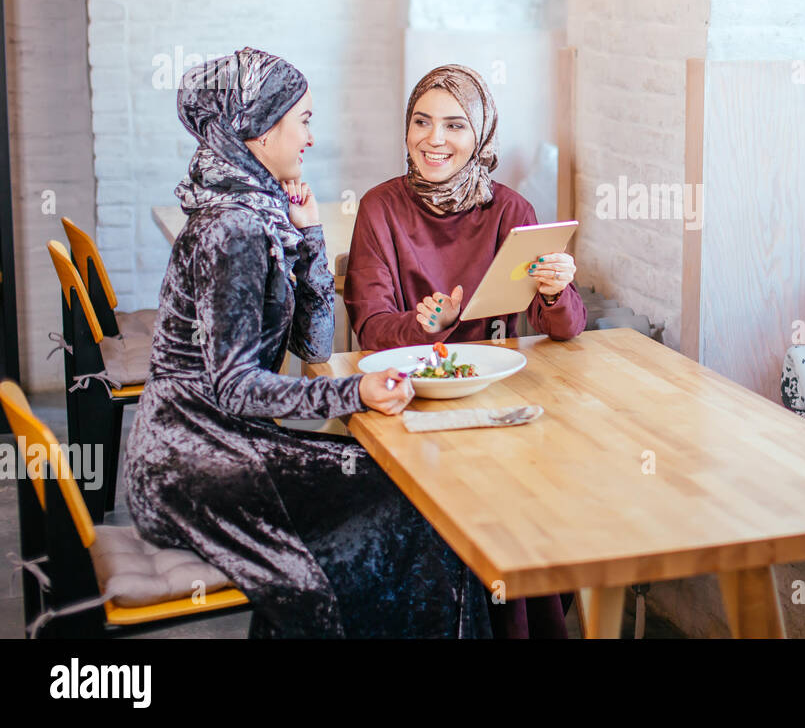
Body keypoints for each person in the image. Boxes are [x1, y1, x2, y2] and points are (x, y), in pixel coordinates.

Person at [124, 48, 491, 638]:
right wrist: (357, 393)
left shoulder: (260, 209)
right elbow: (238, 388)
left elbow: (315, 345)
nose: (312, 138)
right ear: (261, 128)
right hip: (192, 460)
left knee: (408, 496)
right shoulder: (235, 228)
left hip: (219, 442)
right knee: (418, 507)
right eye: (305, 120)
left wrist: (310, 236)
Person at [344, 64, 585, 638]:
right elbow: (371, 330)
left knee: (528, 493)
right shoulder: (380, 208)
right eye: (421, 122)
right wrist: (425, 324)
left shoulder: (510, 211)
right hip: (407, 406)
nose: (435, 139)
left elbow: (566, 329)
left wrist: (555, 288)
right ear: (405, 130)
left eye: (455, 125)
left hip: (499, 403)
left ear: (481, 134)